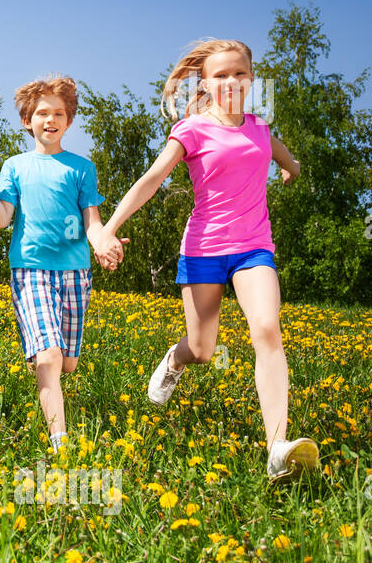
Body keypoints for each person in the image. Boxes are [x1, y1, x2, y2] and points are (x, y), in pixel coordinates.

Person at [99, 38, 318, 483]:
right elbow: (152, 178)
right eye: (221, 75)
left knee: (267, 329)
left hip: (254, 248)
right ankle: (175, 361)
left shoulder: (258, 126)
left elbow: (278, 150)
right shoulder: (193, 129)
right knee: (202, 349)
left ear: (252, 79)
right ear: (206, 82)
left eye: (240, 73)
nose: (232, 82)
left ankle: (277, 447)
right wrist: (107, 228)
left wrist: (291, 167)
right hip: (203, 249)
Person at [0, 76, 123, 452]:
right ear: (27, 120)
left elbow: (93, 222)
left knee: (67, 363)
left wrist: (103, 244)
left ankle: (50, 367)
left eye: (59, 113)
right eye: (41, 113)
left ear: (69, 121)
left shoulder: (81, 168)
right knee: (49, 356)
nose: (50, 119)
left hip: (75, 272)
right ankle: (60, 442)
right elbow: (2, 218)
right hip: (29, 268)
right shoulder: (14, 166)